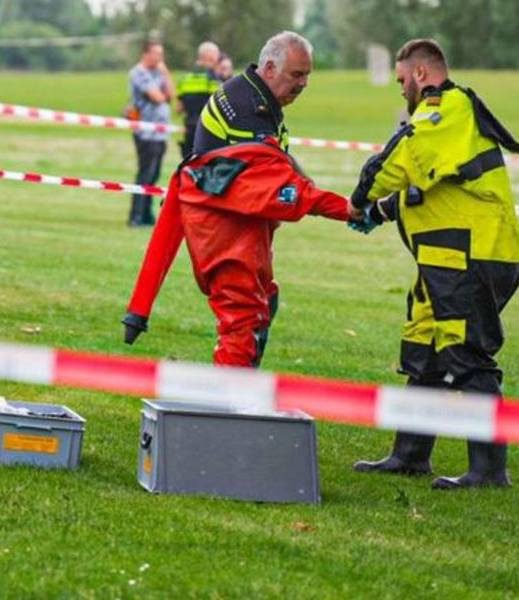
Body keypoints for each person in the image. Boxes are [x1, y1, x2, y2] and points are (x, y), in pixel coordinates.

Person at [348, 38, 519, 489]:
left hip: (474, 253)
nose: (400, 88)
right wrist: (381, 211)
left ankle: (489, 472)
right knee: (426, 353)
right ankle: (409, 457)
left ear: (421, 73)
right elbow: (431, 185)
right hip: (448, 254)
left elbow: (401, 158)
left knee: (467, 354)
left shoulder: (445, 110)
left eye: (402, 79)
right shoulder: (446, 122)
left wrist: (360, 198)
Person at [123, 31, 358, 367]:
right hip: (223, 228)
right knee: (242, 319)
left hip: (238, 220)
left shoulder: (257, 96)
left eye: (307, 75)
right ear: (271, 68)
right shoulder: (247, 109)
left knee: (264, 302)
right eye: (297, 74)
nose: (304, 83)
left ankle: (238, 385)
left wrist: (317, 190)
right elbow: (280, 187)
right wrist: (348, 208)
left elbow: (281, 165)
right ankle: (228, 395)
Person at [127, 40, 175, 227]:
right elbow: (158, 97)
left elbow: (170, 95)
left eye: (161, 54)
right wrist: (164, 95)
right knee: (145, 174)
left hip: (160, 132)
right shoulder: (139, 73)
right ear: (145, 54)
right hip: (146, 132)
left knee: (154, 175)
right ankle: (136, 215)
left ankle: (147, 214)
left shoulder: (158, 72)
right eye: (156, 53)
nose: (159, 58)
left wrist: (165, 72)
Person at [175, 41, 221, 159]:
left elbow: (179, 109)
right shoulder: (212, 78)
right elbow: (218, 104)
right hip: (207, 130)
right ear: (211, 57)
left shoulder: (184, 78)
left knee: (189, 162)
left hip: (189, 127)